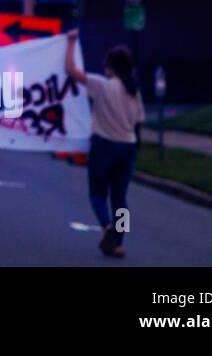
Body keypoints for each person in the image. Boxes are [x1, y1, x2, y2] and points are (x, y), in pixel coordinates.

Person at [64, 29, 145, 258]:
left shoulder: (103, 85)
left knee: (98, 193)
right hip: (128, 147)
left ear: (112, 67)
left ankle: (108, 227)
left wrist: (70, 42)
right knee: (120, 198)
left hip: (104, 145)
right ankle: (118, 242)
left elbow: (71, 71)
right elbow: (138, 123)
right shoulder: (134, 91)